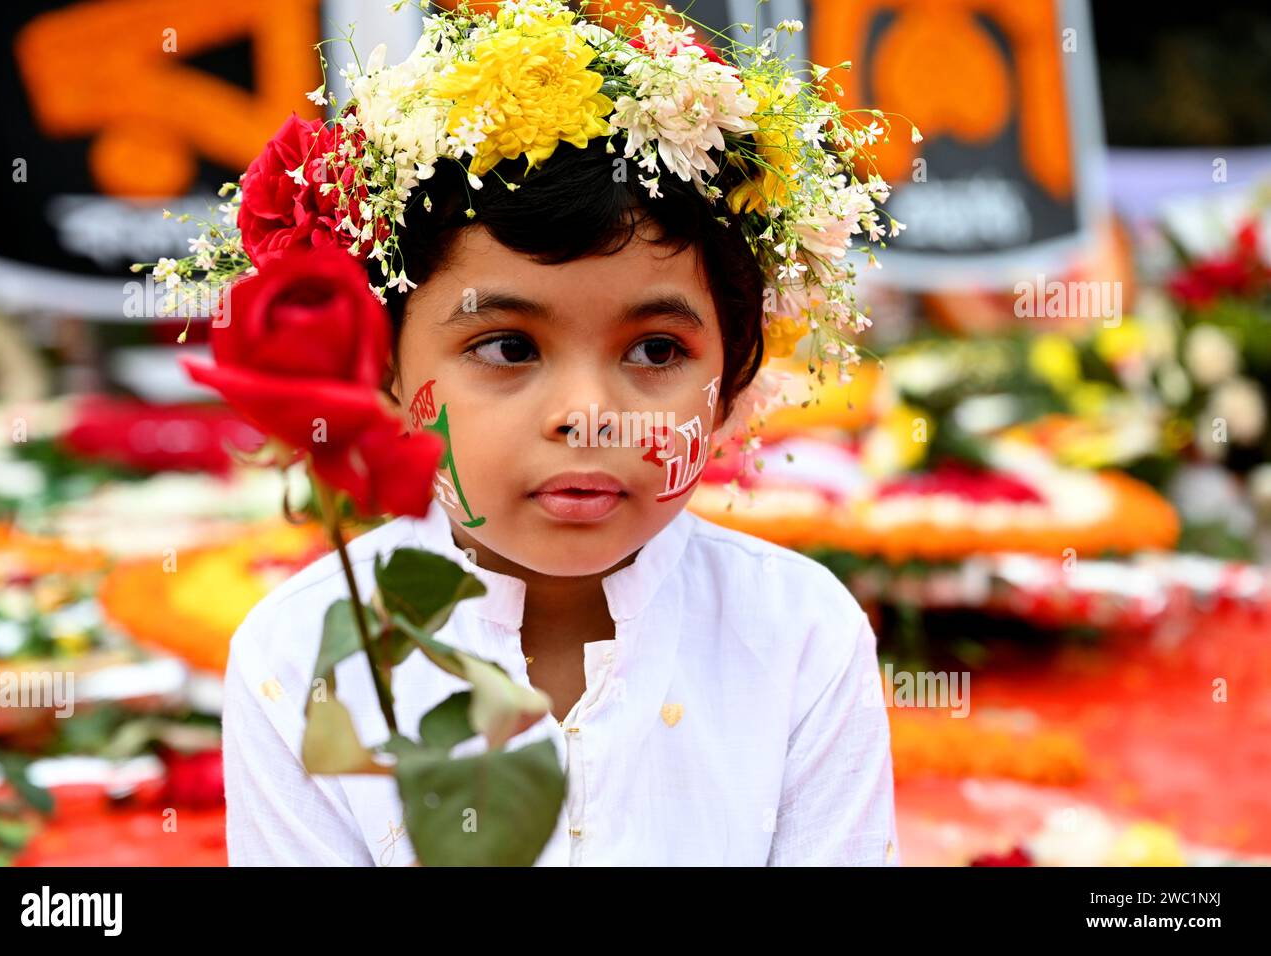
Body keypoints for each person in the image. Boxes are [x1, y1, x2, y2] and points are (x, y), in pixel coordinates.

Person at [213, 0, 901, 866]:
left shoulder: (801, 637)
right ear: (382, 371)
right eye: (506, 346)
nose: (586, 413)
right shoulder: (298, 659)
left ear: (730, 387)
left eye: (656, 349)